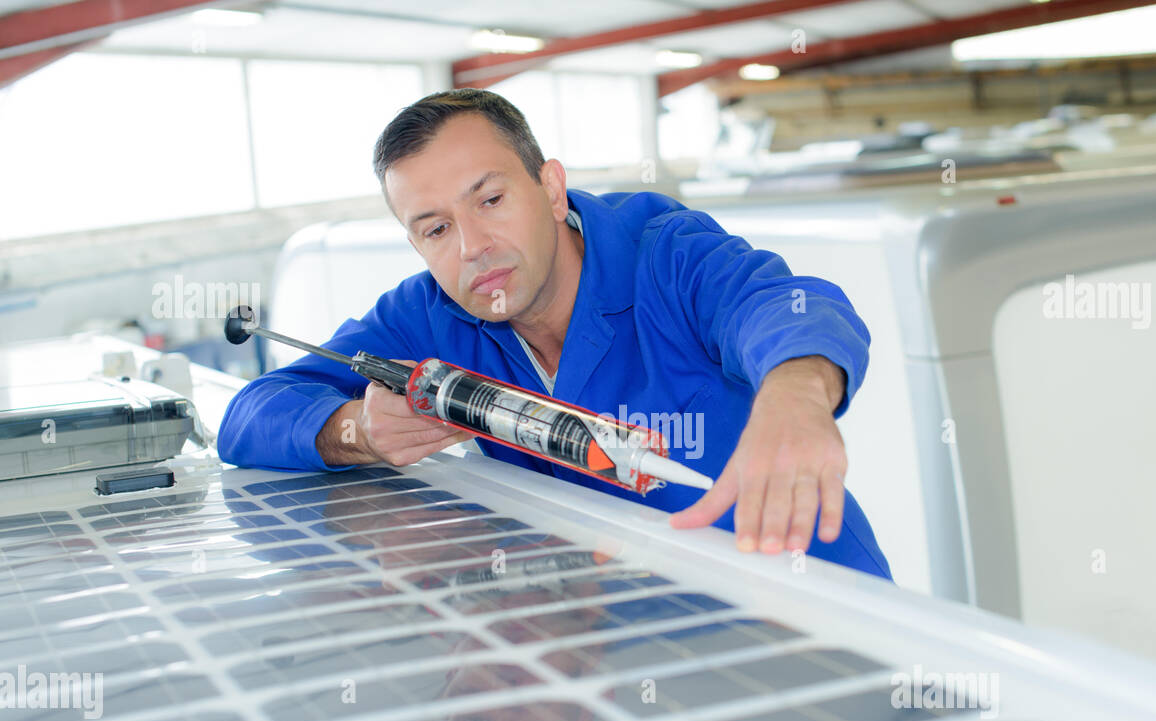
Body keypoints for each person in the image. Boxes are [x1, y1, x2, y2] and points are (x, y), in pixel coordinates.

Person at [218, 89, 892, 581]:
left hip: (814, 609)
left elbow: (788, 305)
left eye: (490, 200)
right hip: (629, 651)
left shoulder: (663, 253)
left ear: (550, 187)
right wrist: (357, 431)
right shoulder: (429, 316)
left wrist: (797, 397)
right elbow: (248, 416)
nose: (474, 247)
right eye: (436, 228)